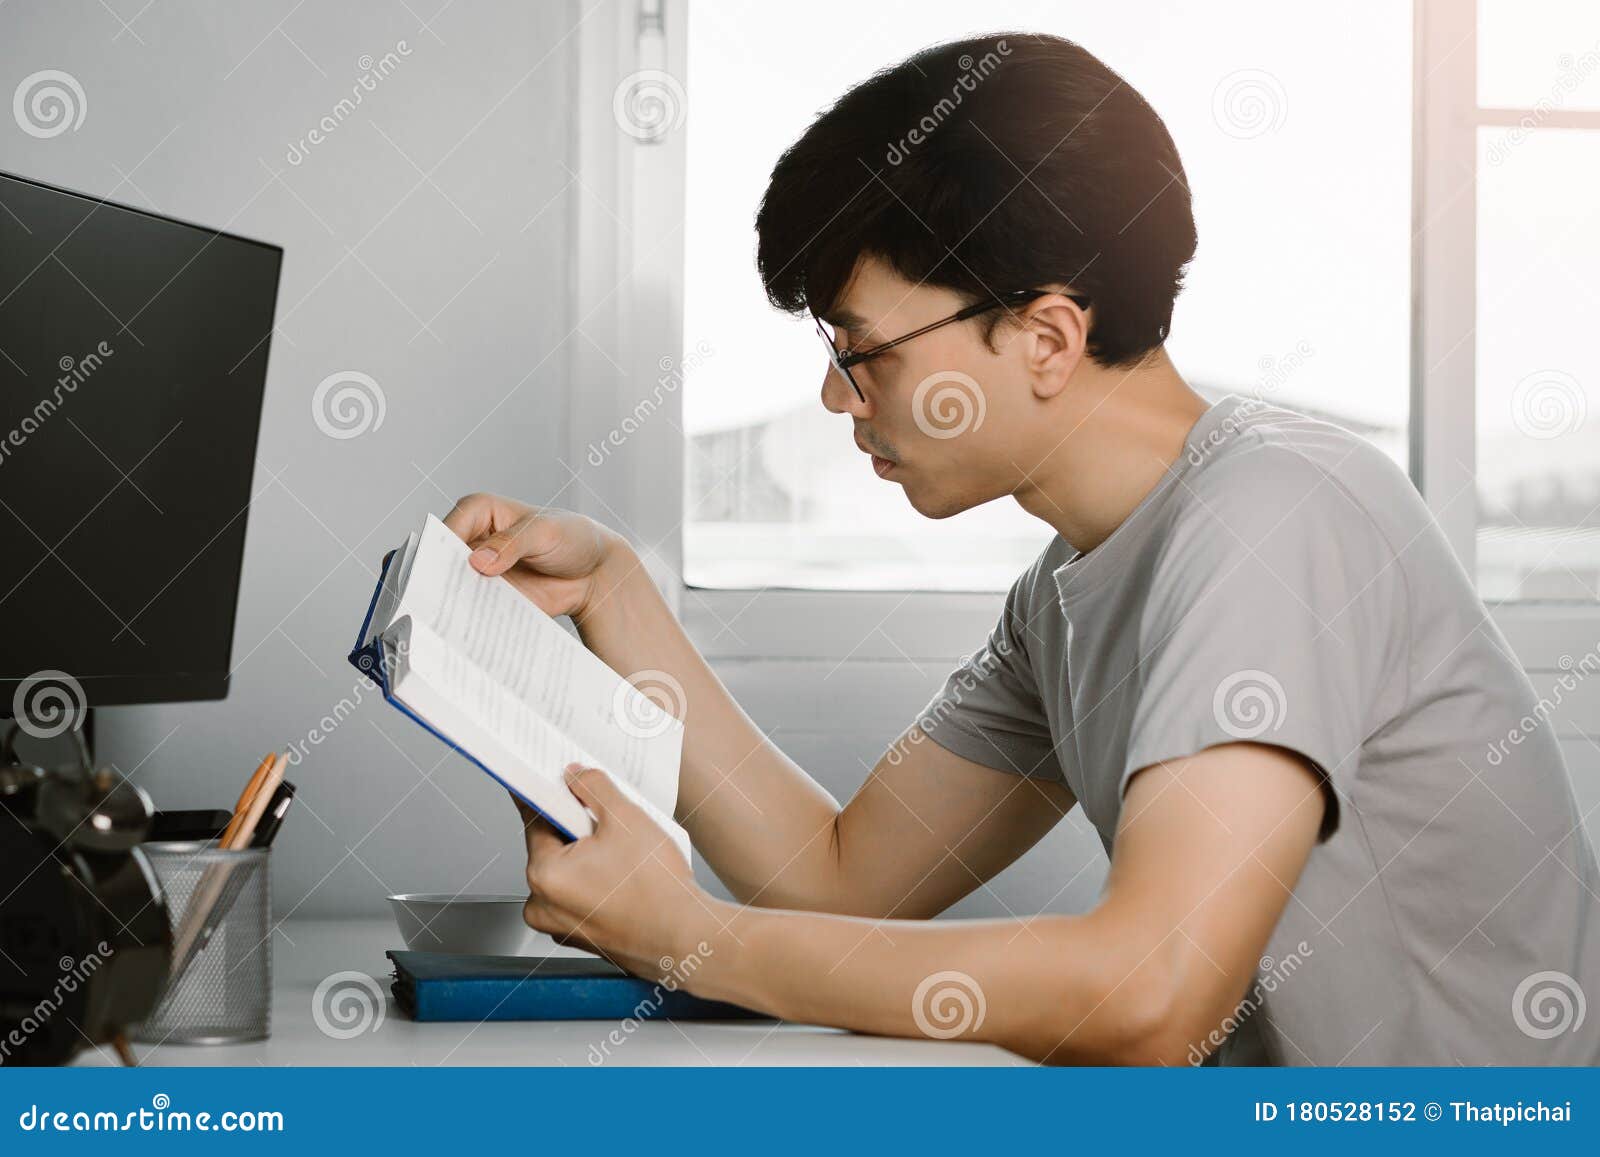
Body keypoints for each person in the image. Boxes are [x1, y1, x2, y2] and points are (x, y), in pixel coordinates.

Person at [445, 32, 1599, 1065]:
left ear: (1045, 334)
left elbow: (1154, 995)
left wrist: (694, 937)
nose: (836, 396)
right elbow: (839, 879)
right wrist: (615, 593)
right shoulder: (1064, 591)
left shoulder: (1276, 515)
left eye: (864, 350)